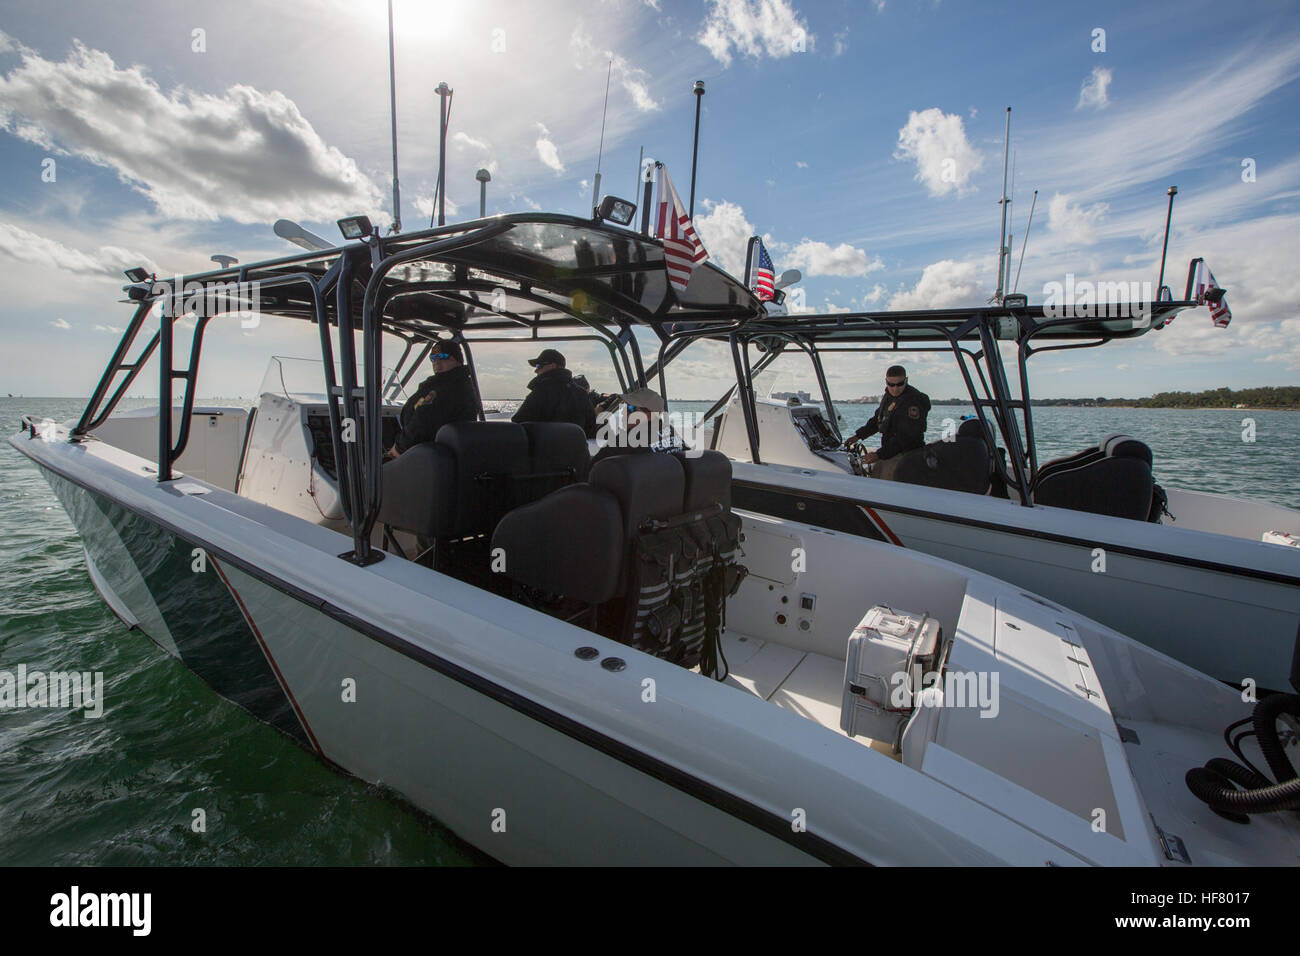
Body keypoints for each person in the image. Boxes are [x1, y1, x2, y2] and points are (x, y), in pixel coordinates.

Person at [387, 340, 481, 458]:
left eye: (442, 356)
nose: (437, 361)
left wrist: (397, 449)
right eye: (433, 358)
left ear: (457, 360)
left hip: (428, 458)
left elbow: (424, 421)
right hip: (435, 455)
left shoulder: (450, 389)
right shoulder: (450, 384)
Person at [847, 365, 931, 465]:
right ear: (886, 381)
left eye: (899, 384)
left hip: (907, 456)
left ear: (906, 380)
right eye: (891, 384)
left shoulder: (914, 401)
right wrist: (858, 436)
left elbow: (906, 436)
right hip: (890, 452)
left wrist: (878, 455)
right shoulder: (888, 397)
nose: (895, 389)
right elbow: (878, 420)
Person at [511, 348, 597, 438]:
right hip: (575, 450)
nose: (535, 371)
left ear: (552, 365)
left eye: (538, 366)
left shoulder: (540, 392)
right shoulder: (581, 393)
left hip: (544, 450)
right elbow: (590, 428)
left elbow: (518, 423)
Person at [592, 388, 665, 466]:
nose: (623, 412)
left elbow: (592, 468)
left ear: (650, 415)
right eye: (624, 406)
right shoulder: (671, 433)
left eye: (631, 408)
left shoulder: (624, 442)